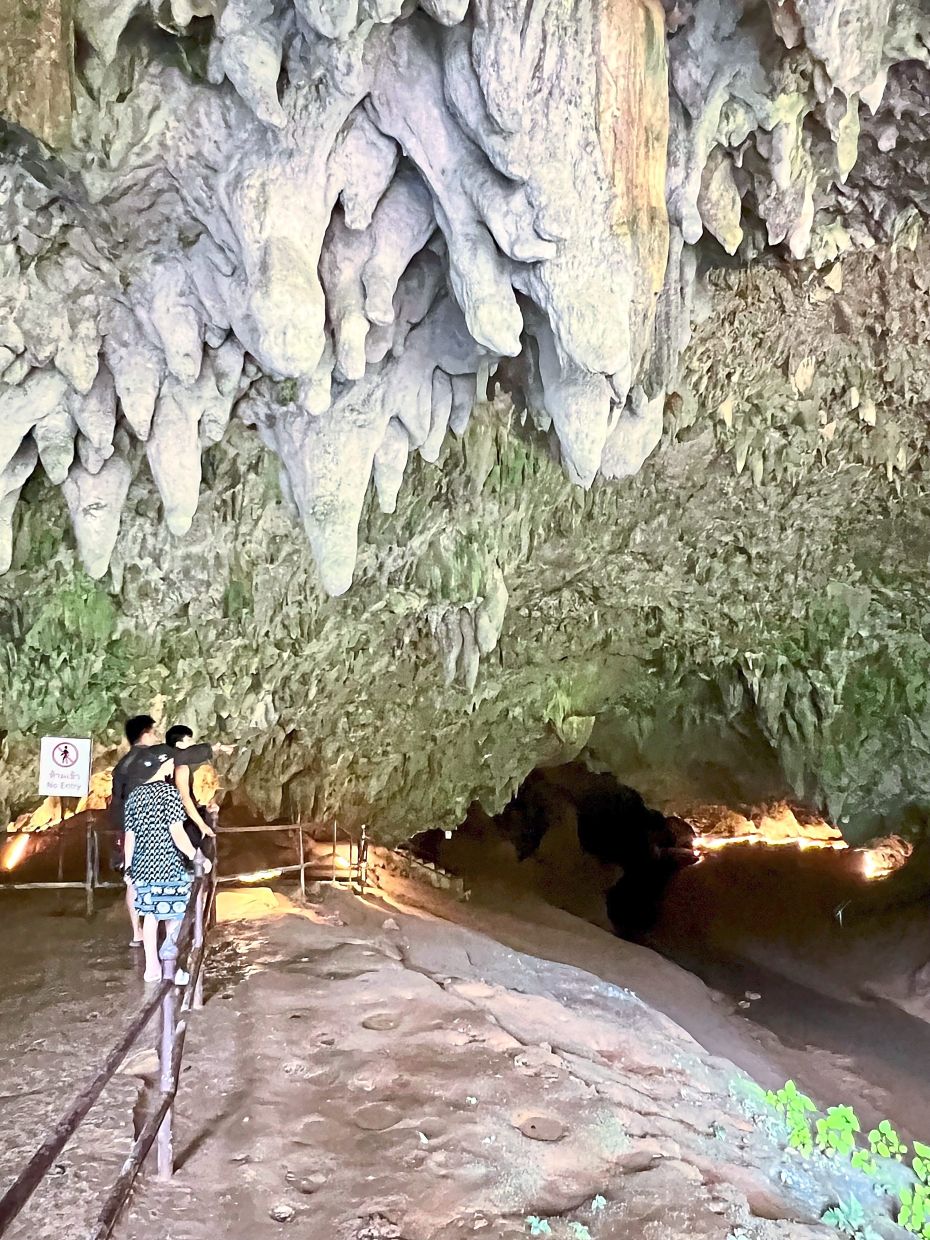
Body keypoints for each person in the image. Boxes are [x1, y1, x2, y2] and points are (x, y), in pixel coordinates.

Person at [109, 715, 214, 947]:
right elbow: (184, 755)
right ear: (145, 733)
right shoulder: (152, 760)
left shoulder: (122, 765)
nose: (156, 737)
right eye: (153, 732)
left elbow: (116, 801)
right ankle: (169, 942)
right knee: (165, 885)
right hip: (153, 829)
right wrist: (212, 748)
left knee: (132, 880)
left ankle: (137, 932)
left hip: (126, 826)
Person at [123, 746, 213, 983]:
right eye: (170, 762)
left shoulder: (134, 796)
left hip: (142, 867)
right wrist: (196, 856)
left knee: (150, 916)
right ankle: (171, 966)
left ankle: (152, 967)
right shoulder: (169, 794)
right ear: (162, 766)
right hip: (167, 865)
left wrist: (128, 867)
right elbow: (177, 832)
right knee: (175, 914)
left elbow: (130, 836)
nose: (173, 766)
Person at [166, 724, 218, 859]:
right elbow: (184, 798)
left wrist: (211, 802)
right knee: (193, 857)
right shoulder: (181, 768)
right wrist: (201, 824)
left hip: (199, 813)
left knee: (204, 856)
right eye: (189, 740)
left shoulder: (197, 763)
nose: (194, 743)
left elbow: (209, 784)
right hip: (186, 819)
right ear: (179, 744)